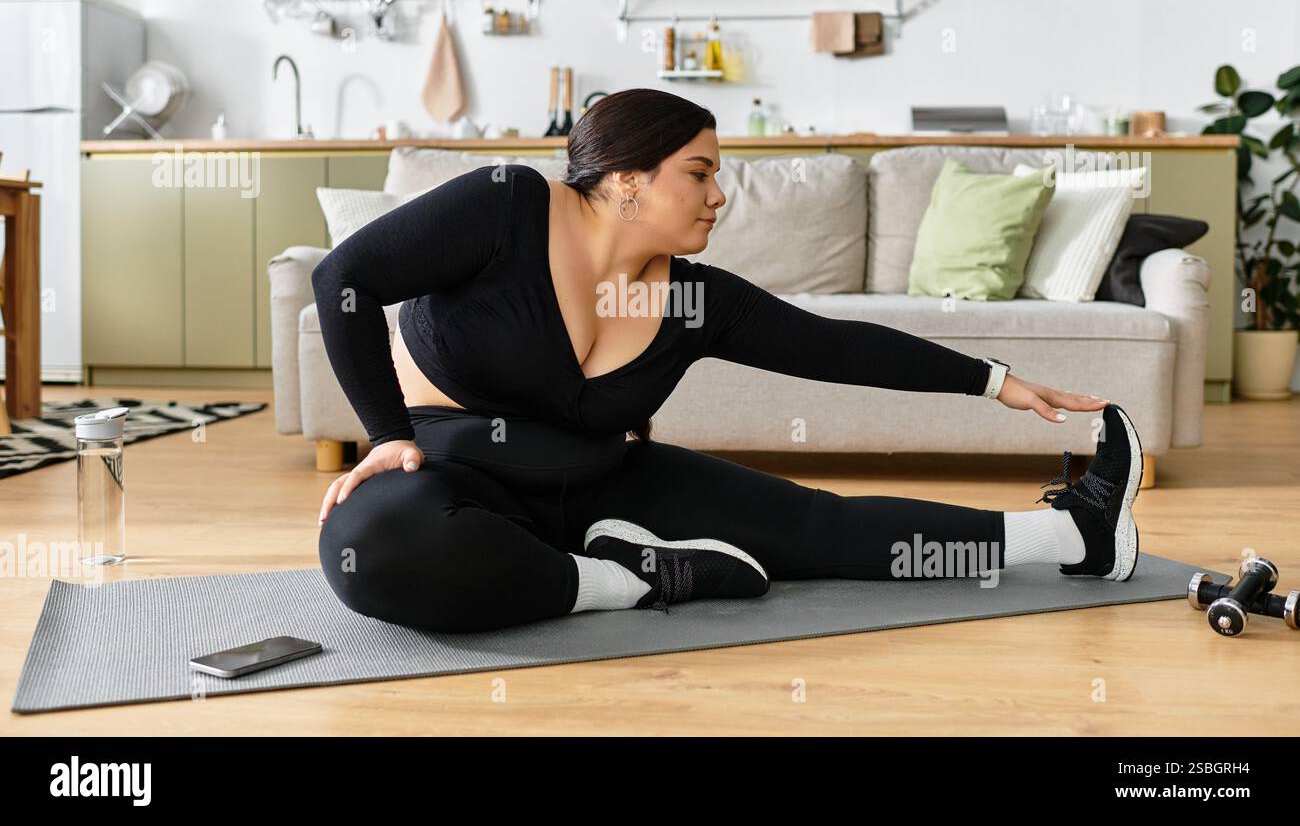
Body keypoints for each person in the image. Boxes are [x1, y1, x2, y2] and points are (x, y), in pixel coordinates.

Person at [313, 88, 1143, 634]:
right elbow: (344, 276)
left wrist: (996, 382)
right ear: (629, 179)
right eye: (700, 173)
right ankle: (624, 579)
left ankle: (1076, 532)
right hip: (451, 476)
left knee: (819, 525)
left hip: (606, 487)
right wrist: (385, 435)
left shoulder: (692, 299)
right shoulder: (507, 207)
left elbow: (835, 345)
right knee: (377, 545)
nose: (720, 196)